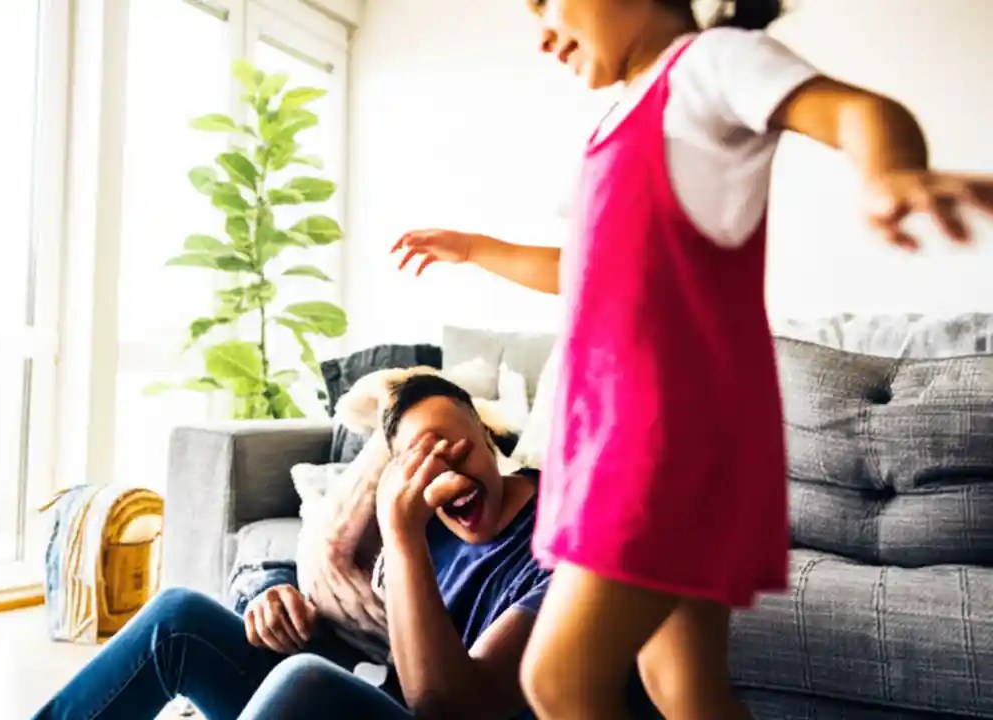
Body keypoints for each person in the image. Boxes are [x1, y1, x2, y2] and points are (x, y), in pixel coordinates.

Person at [391, 1, 993, 718]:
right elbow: (581, 265)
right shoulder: (615, 121)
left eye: (548, 2)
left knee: (557, 680)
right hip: (619, 442)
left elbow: (860, 111)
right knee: (683, 688)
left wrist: (891, 174)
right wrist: (475, 249)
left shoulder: (708, 65)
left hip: (665, 444)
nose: (543, 33)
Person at [31, 374, 555, 720]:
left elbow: (450, 707)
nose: (450, 479)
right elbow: (330, 596)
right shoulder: (423, 517)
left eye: (459, 450)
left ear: (488, 440)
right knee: (178, 620)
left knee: (306, 682)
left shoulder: (558, 535)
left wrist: (402, 537)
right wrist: (274, 594)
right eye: (422, 465)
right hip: (375, 699)